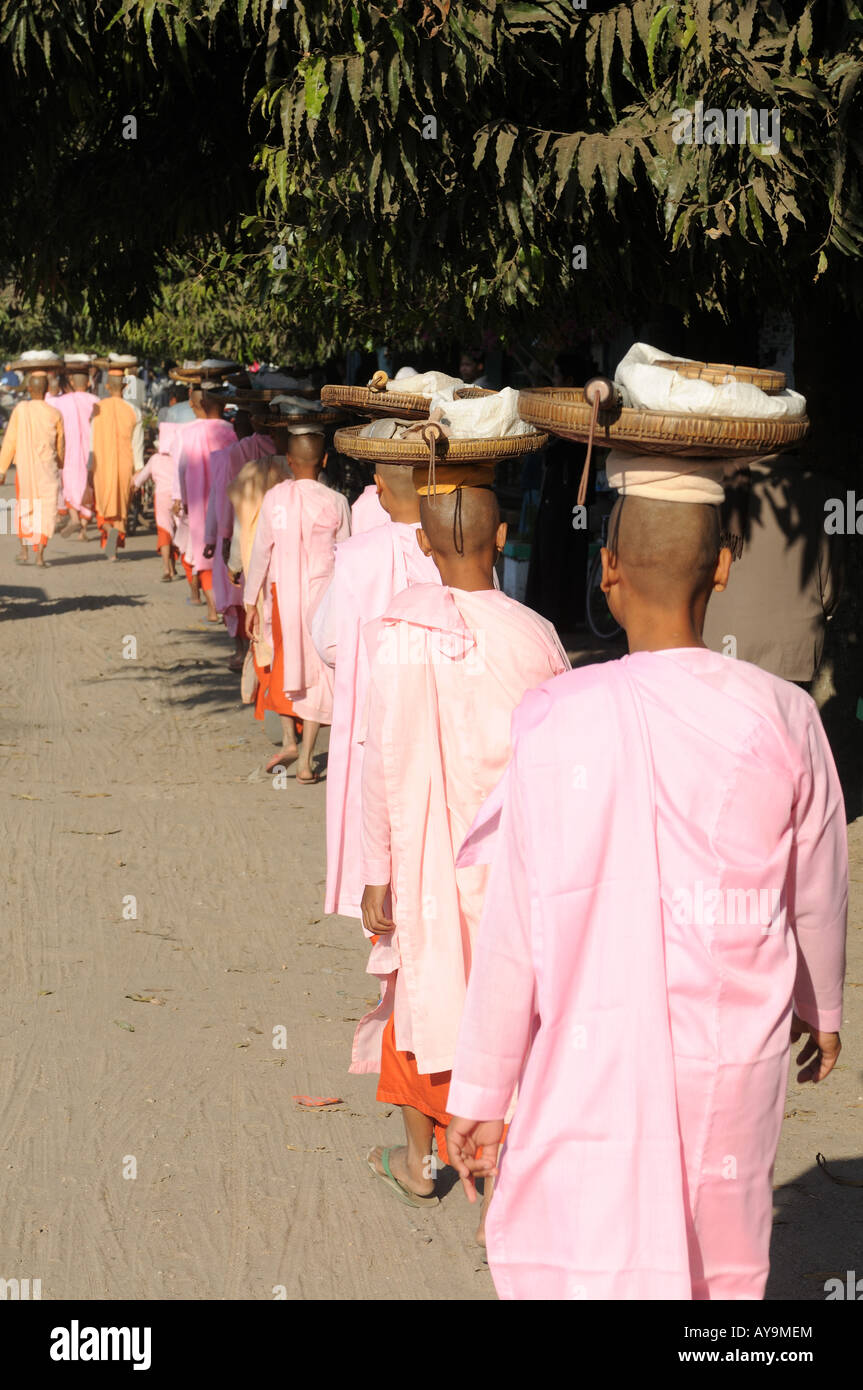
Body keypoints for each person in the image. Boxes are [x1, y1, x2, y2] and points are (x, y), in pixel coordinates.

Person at [445, 452, 848, 1300]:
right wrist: (822, 1008)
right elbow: (817, 882)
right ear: (725, 567)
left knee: (591, 1243)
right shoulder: (784, 714)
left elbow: (516, 921)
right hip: (730, 1053)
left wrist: (483, 1085)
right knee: (721, 1242)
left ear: (608, 568)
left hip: (590, 1042)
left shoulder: (560, 718)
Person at [356, 466, 569, 1228]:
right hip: (514, 861)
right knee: (515, 1005)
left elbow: (380, 757)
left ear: (419, 541)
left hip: (420, 863)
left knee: (421, 995)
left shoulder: (397, 630)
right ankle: (514, 1162)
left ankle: (418, 1162)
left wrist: (375, 870)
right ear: (501, 537)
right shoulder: (533, 633)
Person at [312, 462, 441, 920]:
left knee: (377, 833)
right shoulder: (455, 545)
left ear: (379, 489)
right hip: (439, 717)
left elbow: (327, 641)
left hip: (370, 717)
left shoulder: (355, 555)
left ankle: (391, 977)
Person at [244, 428, 350, 782]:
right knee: (320, 674)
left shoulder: (276, 498)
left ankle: (289, 739)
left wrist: (250, 601)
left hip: (283, 596)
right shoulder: (336, 502)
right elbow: (347, 555)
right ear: (324, 461)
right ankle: (305, 760)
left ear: (289, 462)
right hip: (324, 598)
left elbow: (261, 551)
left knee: (284, 663)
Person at [524, 350, 597, 632]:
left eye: (556, 374)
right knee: (560, 548)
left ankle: (561, 613)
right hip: (565, 495)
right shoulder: (566, 409)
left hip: (571, 498)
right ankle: (558, 612)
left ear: (567, 378)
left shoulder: (578, 411)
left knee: (566, 547)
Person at [203, 410, 275, 666]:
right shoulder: (287, 455)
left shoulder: (235, 454)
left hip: (246, 534)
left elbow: (227, 501)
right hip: (280, 540)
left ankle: (245, 651)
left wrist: (222, 537)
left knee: (244, 595)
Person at [174, 385, 236, 617]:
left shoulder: (187, 433)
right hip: (227, 501)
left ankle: (212, 608)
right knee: (228, 551)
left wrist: (182, 498)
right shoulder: (232, 431)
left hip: (199, 503)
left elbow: (180, 469)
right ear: (222, 405)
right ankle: (227, 605)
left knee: (203, 553)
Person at [0, 370, 64, 566]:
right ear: (46, 390)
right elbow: (60, 445)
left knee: (25, 507)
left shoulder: (21, 409)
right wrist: (60, 464)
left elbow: (10, 440)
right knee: (45, 509)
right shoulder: (54, 413)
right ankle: (40, 556)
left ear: (29, 389)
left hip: (25, 470)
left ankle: (24, 551)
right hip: (47, 470)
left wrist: (2, 469)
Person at [87, 368, 144, 559]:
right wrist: (139, 471)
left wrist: (88, 467)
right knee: (120, 508)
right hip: (125, 466)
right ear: (126, 386)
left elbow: (90, 440)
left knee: (102, 505)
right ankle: (114, 550)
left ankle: (107, 527)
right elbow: (138, 446)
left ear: (107, 386)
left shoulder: (97, 408)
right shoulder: (133, 410)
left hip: (100, 465)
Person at [50, 371, 100, 540]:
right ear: (88, 384)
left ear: (71, 382)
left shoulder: (61, 402)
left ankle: (73, 518)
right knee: (88, 487)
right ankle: (83, 530)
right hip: (91, 450)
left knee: (69, 485)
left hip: (69, 451)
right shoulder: (96, 401)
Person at [131, 443, 177, 581]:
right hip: (178, 496)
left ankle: (166, 569)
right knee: (177, 531)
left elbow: (140, 479)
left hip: (162, 497)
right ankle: (175, 567)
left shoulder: (155, 459)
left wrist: (134, 486)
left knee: (164, 531)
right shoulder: (179, 457)